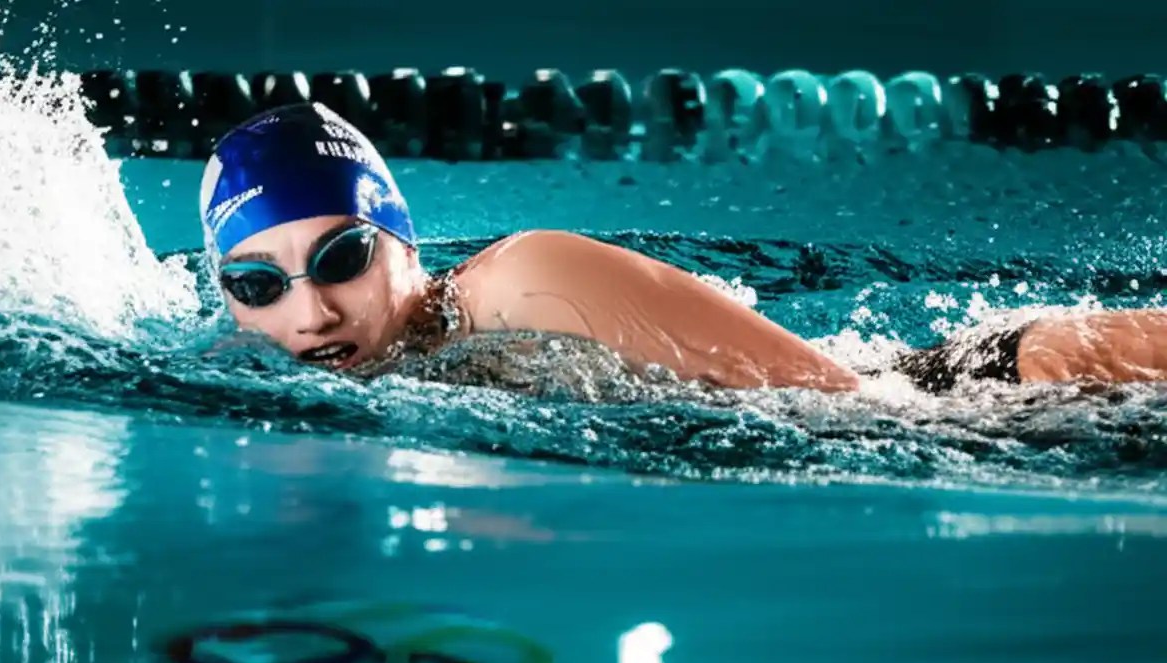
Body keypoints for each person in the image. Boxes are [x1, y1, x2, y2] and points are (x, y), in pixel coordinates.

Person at [198, 102, 1167, 395]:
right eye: (258, 284)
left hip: (1014, 386)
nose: (311, 314)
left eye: (342, 259)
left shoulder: (524, 279)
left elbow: (849, 405)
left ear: (405, 245)